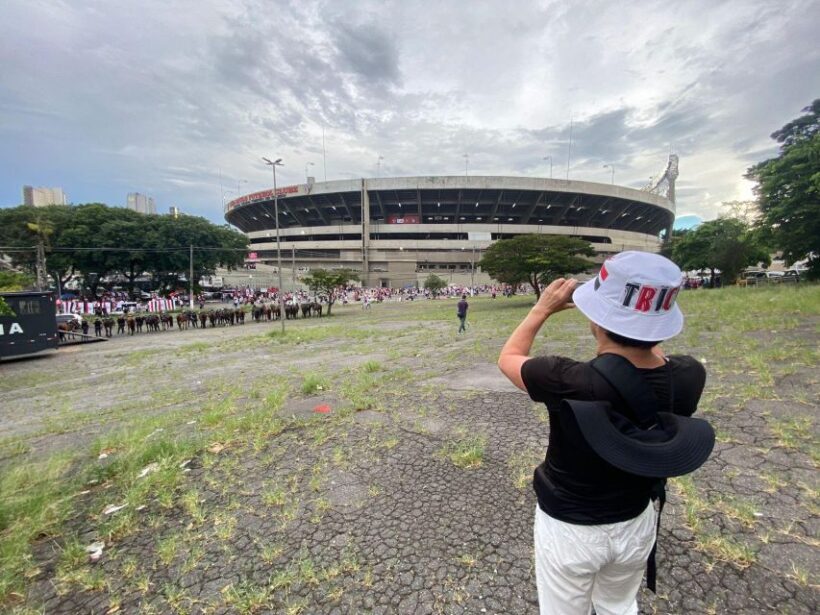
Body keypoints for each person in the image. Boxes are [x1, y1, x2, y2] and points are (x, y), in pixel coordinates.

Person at [498, 252, 710, 615]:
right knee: (618, 606)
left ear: (597, 318)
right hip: (637, 520)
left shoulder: (565, 378)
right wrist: (643, 318)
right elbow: (653, 360)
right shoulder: (690, 375)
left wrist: (541, 309)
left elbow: (509, 357)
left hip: (570, 527)